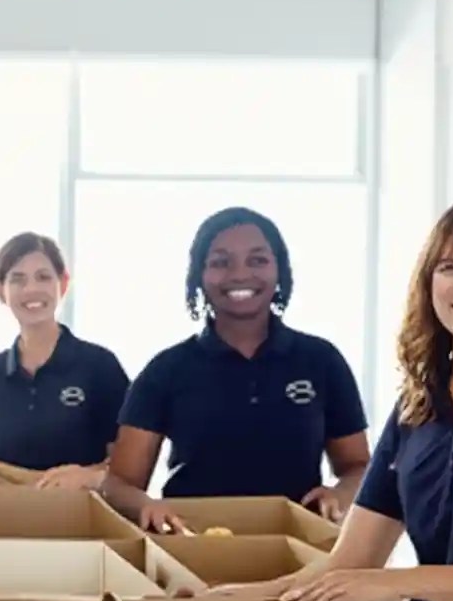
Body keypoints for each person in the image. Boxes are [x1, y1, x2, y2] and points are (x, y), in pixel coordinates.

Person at [209, 199, 453, 601]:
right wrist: (250, 597)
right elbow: (351, 562)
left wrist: (392, 584)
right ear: (428, 282)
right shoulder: (416, 408)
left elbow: (372, 578)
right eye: (451, 266)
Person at [85, 207, 371, 530]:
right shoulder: (166, 370)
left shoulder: (322, 360)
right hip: (195, 547)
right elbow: (119, 484)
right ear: (199, 276)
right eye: (221, 262)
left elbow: (358, 467)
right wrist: (146, 506)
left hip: (300, 546)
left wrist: (341, 493)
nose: (239, 274)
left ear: (280, 271)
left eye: (258, 260)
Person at [0, 232, 130, 488]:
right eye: (18, 279)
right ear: (0, 291)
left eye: (43, 277)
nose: (32, 289)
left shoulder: (100, 367)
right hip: (6, 518)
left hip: (83, 517)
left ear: (63, 283)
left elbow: (129, 468)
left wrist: (90, 478)